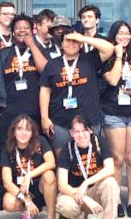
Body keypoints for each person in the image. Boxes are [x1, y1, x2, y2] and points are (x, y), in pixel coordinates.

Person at [39, 17, 115, 152]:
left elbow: (109, 48)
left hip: (89, 120)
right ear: (61, 44)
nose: (71, 44)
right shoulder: (52, 64)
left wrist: (83, 38)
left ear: (80, 44)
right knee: (62, 159)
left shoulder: (90, 59)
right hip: (60, 121)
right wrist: (44, 117)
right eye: (67, 40)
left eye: (75, 41)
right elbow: (45, 91)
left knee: (90, 158)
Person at [101, 21, 131, 219]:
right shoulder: (106, 56)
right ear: (114, 35)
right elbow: (112, 80)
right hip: (113, 112)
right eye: (121, 33)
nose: (125, 37)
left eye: (128, 33)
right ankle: (116, 201)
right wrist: (119, 55)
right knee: (118, 159)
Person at [54, 115, 121, 219]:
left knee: (111, 183)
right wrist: (84, 197)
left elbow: (110, 169)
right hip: (75, 193)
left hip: (96, 190)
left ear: (90, 131)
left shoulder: (99, 142)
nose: (81, 135)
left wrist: (86, 183)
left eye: (84, 130)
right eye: (77, 131)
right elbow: (62, 185)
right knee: (64, 204)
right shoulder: (67, 150)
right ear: (71, 133)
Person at [0, 14, 49, 150]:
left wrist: (32, 45)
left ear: (32, 30)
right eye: (18, 28)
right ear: (12, 32)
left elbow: (46, 71)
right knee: (5, 150)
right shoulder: (3, 54)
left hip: (35, 111)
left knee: (35, 150)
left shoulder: (40, 51)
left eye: (26, 28)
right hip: (8, 111)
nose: (22, 31)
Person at [0, 114, 59, 219]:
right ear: (13, 131)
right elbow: (7, 182)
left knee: (49, 175)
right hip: (22, 191)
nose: (23, 133)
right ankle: (27, 211)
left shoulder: (41, 141)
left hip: (40, 188)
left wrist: (29, 175)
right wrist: (26, 200)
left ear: (33, 132)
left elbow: (51, 163)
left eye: (28, 129)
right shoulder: (8, 149)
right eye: (19, 129)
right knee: (8, 202)